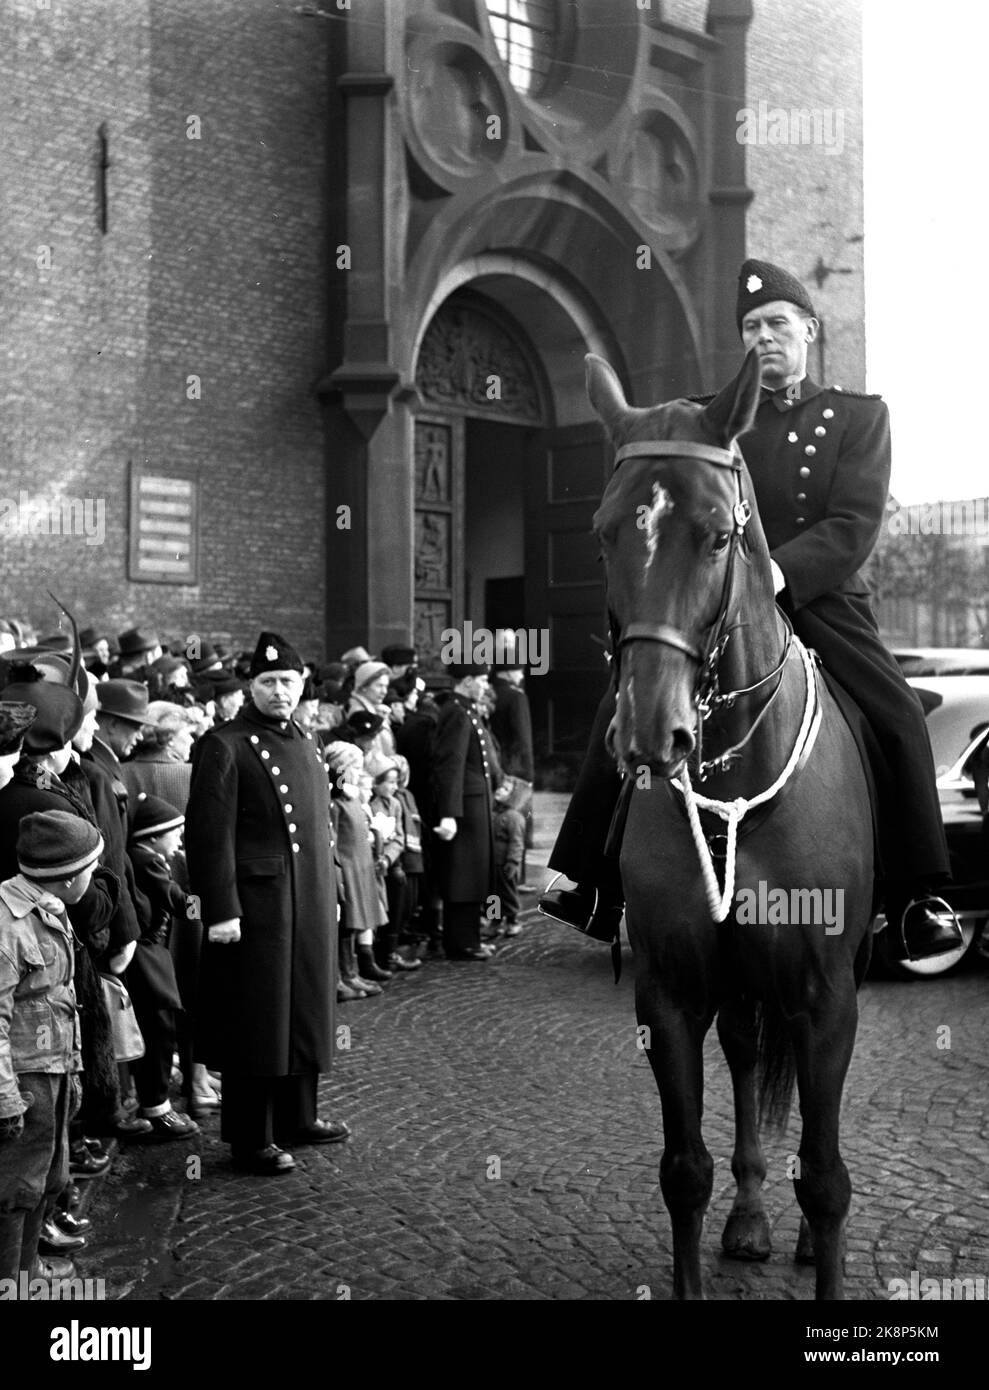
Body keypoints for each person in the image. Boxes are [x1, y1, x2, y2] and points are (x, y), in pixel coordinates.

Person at [539, 257, 963, 963]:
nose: (762, 337)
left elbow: (852, 526)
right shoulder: (711, 415)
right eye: (749, 327)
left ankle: (917, 894)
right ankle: (591, 878)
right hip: (714, 599)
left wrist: (772, 573)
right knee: (625, 698)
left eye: (775, 323)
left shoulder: (858, 417)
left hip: (819, 599)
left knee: (892, 713)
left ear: (808, 329)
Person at [184, 632, 348, 1175]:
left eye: (288, 682)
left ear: (303, 687)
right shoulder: (223, 743)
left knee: (304, 1008)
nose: (280, 692)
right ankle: (250, 1136)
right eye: (268, 682)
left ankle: (300, 1117)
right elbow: (209, 835)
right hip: (259, 907)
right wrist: (222, 909)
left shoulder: (306, 739)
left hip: (310, 899)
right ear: (251, 687)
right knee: (258, 1018)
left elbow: (319, 828)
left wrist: (333, 893)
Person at [0, 811, 102, 1289]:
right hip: (23, 1083)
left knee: (46, 1179)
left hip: (53, 1073)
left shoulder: (47, 909)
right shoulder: (9, 927)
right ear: (69, 878)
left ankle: (29, 1271)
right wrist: (5, 1101)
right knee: (15, 1191)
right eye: (91, 870)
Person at [431, 663, 502, 961]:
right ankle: (461, 942)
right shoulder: (457, 712)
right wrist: (448, 813)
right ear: (468, 681)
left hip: (475, 804)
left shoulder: (466, 709)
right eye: (482, 680)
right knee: (463, 875)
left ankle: (469, 937)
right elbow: (451, 765)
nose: (486, 685)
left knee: (473, 874)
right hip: (464, 808)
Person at [492, 777, 525, 937]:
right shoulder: (492, 813)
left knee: (508, 893)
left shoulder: (513, 817)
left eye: (505, 789)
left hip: (506, 864)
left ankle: (513, 921)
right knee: (492, 893)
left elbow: (516, 842)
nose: (499, 790)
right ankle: (495, 922)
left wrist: (513, 861)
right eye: (499, 787)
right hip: (492, 863)